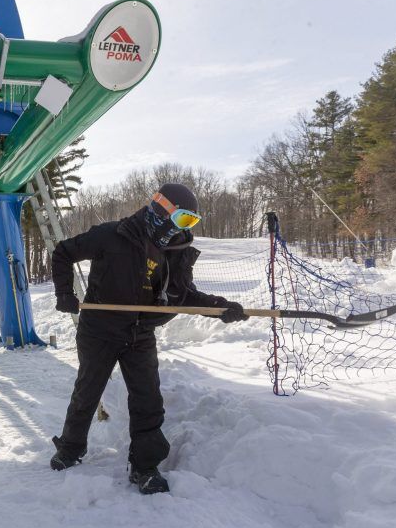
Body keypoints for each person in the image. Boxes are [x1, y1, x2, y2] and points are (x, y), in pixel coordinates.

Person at [49, 182, 249, 494]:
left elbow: (183, 295)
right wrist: (64, 293)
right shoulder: (111, 235)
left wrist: (220, 307)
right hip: (99, 329)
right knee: (88, 390)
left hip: (140, 332)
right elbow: (63, 253)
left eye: (191, 223)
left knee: (148, 399)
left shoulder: (176, 251)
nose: (184, 229)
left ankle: (144, 466)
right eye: (183, 219)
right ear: (162, 210)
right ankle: (70, 448)